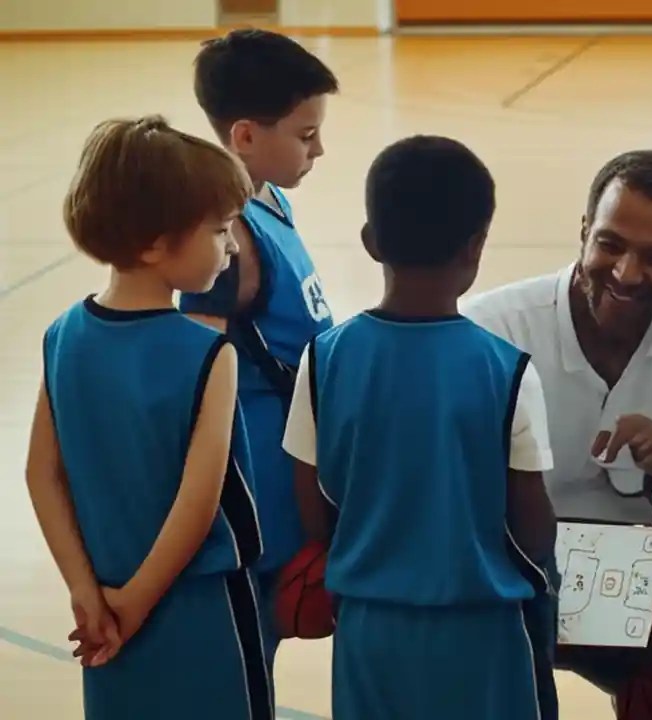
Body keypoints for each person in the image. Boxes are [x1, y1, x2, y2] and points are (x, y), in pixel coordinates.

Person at [281, 135, 557, 719]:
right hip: (483, 632)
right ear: (476, 246)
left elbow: (311, 504)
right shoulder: (507, 372)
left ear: (370, 241)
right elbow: (531, 525)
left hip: (368, 631)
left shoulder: (323, 360)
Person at [462, 150, 652, 719]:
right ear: (584, 231)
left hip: (626, 584)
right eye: (610, 244)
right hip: (502, 575)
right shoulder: (491, 331)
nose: (628, 273)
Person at [27, 116, 269, 718]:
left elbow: (41, 476)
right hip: (199, 607)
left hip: (103, 613)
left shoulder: (64, 336)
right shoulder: (209, 354)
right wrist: (132, 604)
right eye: (219, 231)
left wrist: (89, 596)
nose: (233, 246)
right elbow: (198, 503)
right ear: (155, 243)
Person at [183, 27, 339, 668]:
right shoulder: (226, 244)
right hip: (256, 483)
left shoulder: (268, 199)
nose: (320, 148)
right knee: (250, 657)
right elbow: (192, 381)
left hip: (297, 464)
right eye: (305, 136)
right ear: (245, 136)